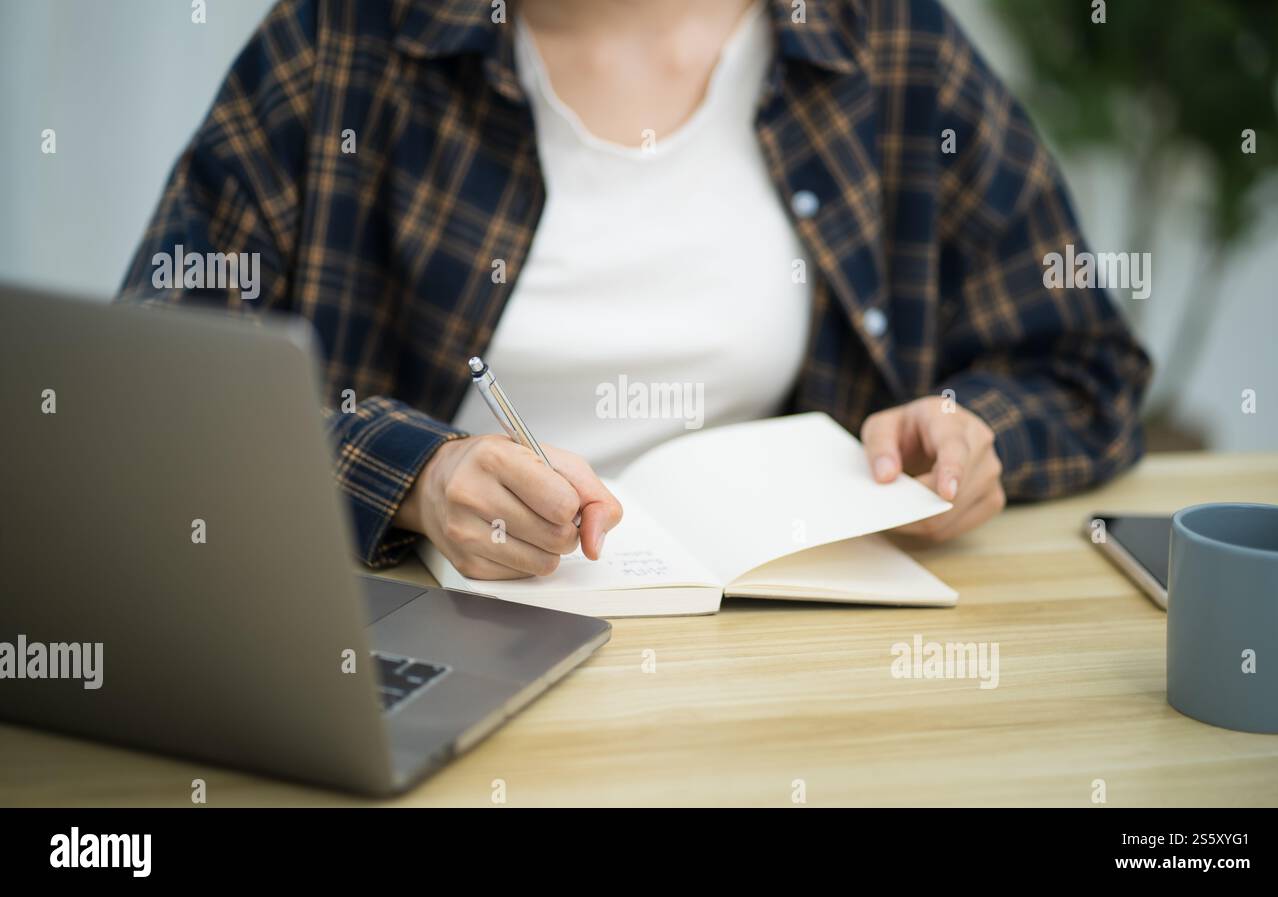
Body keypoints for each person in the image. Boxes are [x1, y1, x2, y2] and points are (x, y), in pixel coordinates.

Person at [119, 0, 1152, 580]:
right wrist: (419, 477)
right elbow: (151, 386)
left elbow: (1082, 366)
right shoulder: (343, 41)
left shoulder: (887, 45)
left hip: (777, 670)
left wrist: (973, 438)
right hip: (427, 640)